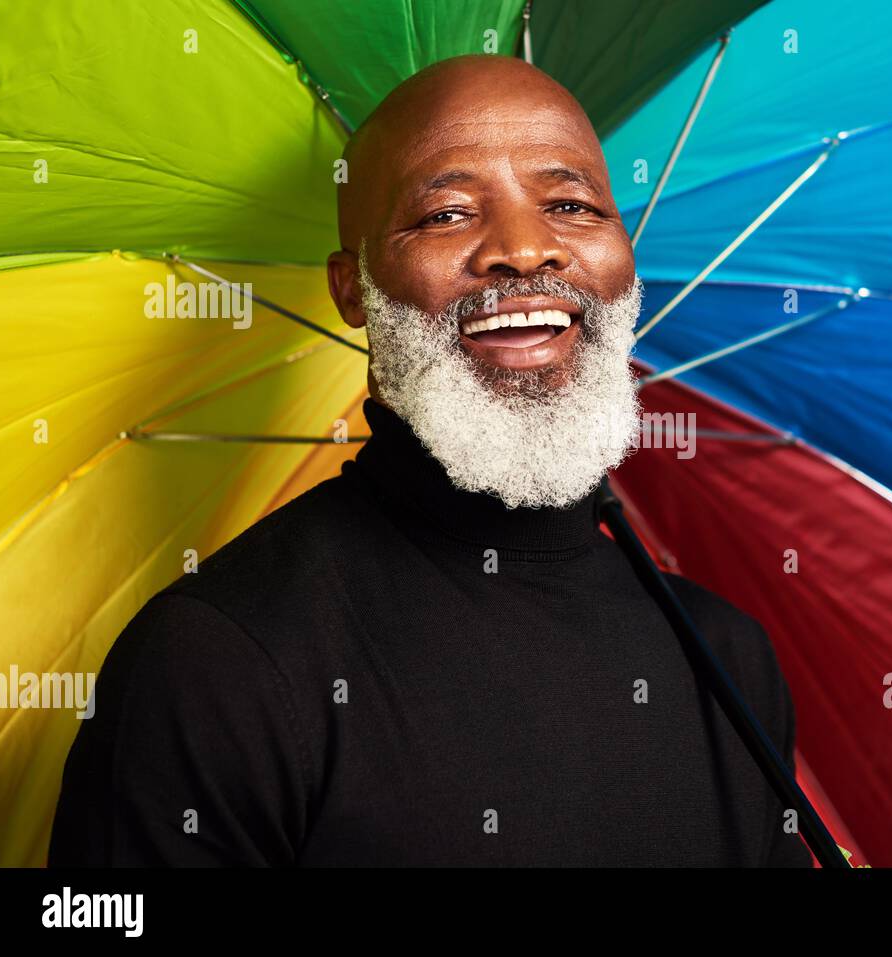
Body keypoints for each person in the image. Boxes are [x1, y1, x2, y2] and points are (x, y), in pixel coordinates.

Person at [48, 53, 813, 867]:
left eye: (569, 203)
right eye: (446, 213)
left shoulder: (728, 659)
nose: (524, 249)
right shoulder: (214, 665)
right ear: (354, 289)